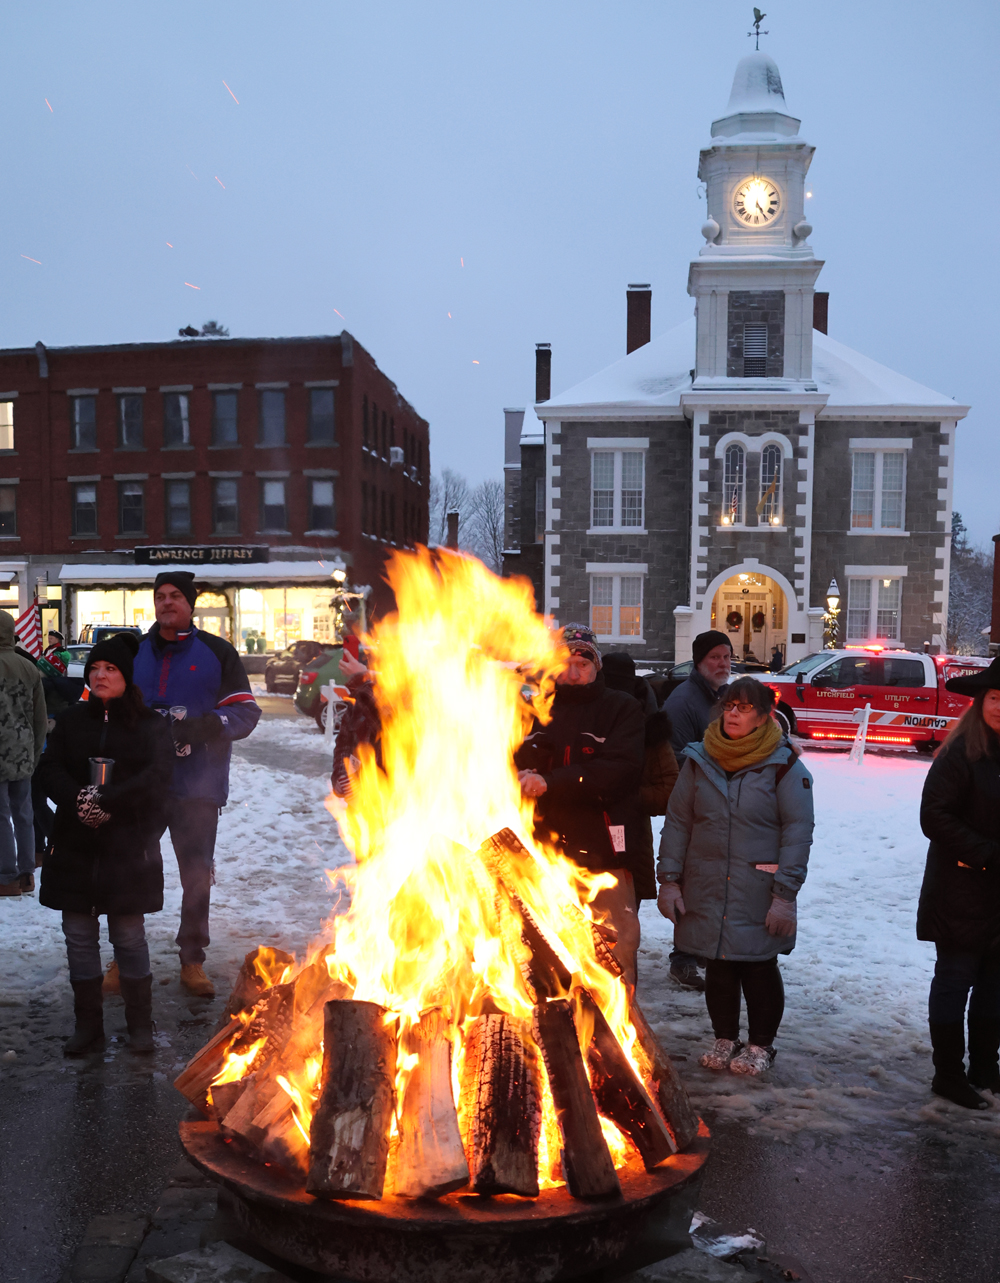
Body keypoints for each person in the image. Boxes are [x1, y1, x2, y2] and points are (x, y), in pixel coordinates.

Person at [657, 677, 813, 1076]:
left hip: (758, 886)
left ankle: (762, 1044)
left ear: (763, 717)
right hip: (706, 882)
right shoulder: (699, 760)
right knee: (719, 964)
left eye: (744, 708)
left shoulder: (784, 766)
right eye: (729, 706)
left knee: (758, 965)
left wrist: (785, 894)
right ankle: (725, 1036)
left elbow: (797, 831)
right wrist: (670, 879)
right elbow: (678, 822)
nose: (733, 714)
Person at [38, 634, 174, 1054]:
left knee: (129, 936)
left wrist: (110, 803)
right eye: (95, 668)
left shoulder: (150, 725)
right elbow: (48, 769)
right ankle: (89, 1027)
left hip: (127, 849)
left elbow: (157, 779)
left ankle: (139, 1027)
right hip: (75, 848)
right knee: (78, 936)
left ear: (125, 677)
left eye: (109, 669)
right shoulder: (72, 720)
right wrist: (78, 799)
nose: (99, 675)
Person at [132, 571, 260, 998]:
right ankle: (124, 957)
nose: (166, 603)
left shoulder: (217, 653)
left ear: (190, 604)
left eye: (175, 597)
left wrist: (206, 726)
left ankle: (192, 960)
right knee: (128, 869)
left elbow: (245, 713)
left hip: (196, 787)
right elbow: (99, 707)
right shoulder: (133, 653)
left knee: (196, 877)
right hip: (140, 786)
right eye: (159, 597)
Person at [515, 624, 646, 986]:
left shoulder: (621, 708)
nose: (573, 672)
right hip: (544, 851)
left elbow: (619, 771)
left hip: (605, 850)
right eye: (565, 662)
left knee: (615, 950)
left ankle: (623, 1030)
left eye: (582, 663)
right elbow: (510, 758)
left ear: (596, 666)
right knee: (550, 950)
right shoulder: (537, 708)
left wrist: (551, 781)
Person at [917, 657, 1000, 1110]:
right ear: (980, 702)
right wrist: (986, 853)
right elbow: (935, 816)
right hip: (960, 890)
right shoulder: (960, 753)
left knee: (994, 987)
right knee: (955, 980)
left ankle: (987, 1067)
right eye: (994, 697)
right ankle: (948, 1072)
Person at [662, 629, 734, 990]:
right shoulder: (684, 701)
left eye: (726, 657)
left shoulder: (721, 696)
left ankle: (701, 947)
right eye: (714, 658)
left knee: (710, 881)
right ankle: (684, 957)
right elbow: (671, 757)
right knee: (691, 882)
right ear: (699, 662)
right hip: (691, 803)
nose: (722, 664)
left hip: (717, 803)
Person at [601, 652, 679, 909]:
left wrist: (627, 797)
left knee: (623, 919)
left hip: (629, 840)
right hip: (583, 843)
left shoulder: (650, 731)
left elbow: (670, 790)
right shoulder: (589, 718)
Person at [0, 611, 47, 897]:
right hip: (23, 750)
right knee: (23, 813)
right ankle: (27, 874)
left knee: (1, 815)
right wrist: (35, 751)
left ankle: (6, 877)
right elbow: (39, 717)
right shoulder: (28, 667)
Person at [331, 642, 382, 800]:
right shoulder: (358, 700)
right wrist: (340, 775)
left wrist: (362, 679)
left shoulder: (408, 699)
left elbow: (386, 723)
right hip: (360, 807)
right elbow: (343, 742)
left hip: (395, 803)